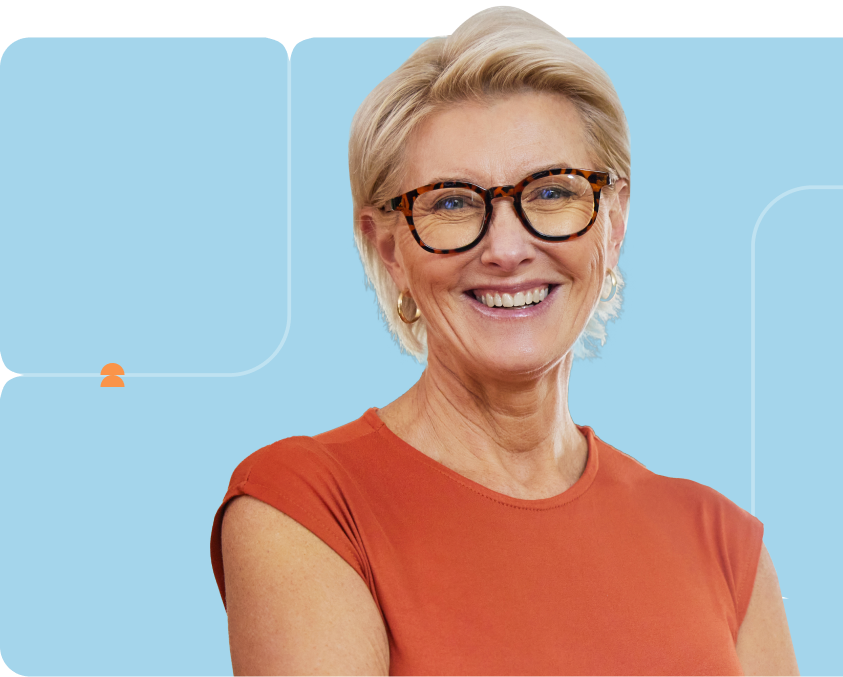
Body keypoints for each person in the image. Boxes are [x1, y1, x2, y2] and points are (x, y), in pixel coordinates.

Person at [210, 8, 800, 676]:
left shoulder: (722, 543)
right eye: (453, 203)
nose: (506, 248)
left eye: (550, 192)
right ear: (388, 248)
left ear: (613, 223)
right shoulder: (309, 505)